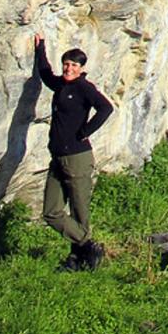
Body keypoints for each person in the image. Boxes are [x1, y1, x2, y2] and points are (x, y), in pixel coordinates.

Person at [32, 33, 114, 271]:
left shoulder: (83, 87)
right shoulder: (62, 85)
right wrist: (40, 49)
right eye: (66, 64)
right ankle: (88, 246)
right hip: (58, 158)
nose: (68, 68)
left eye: (73, 65)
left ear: (81, 68)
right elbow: (45, 73)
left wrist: (85, 131)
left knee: (79, 213)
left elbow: (106, 108)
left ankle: (78, 260)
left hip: (77, 158)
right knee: (51, 212)